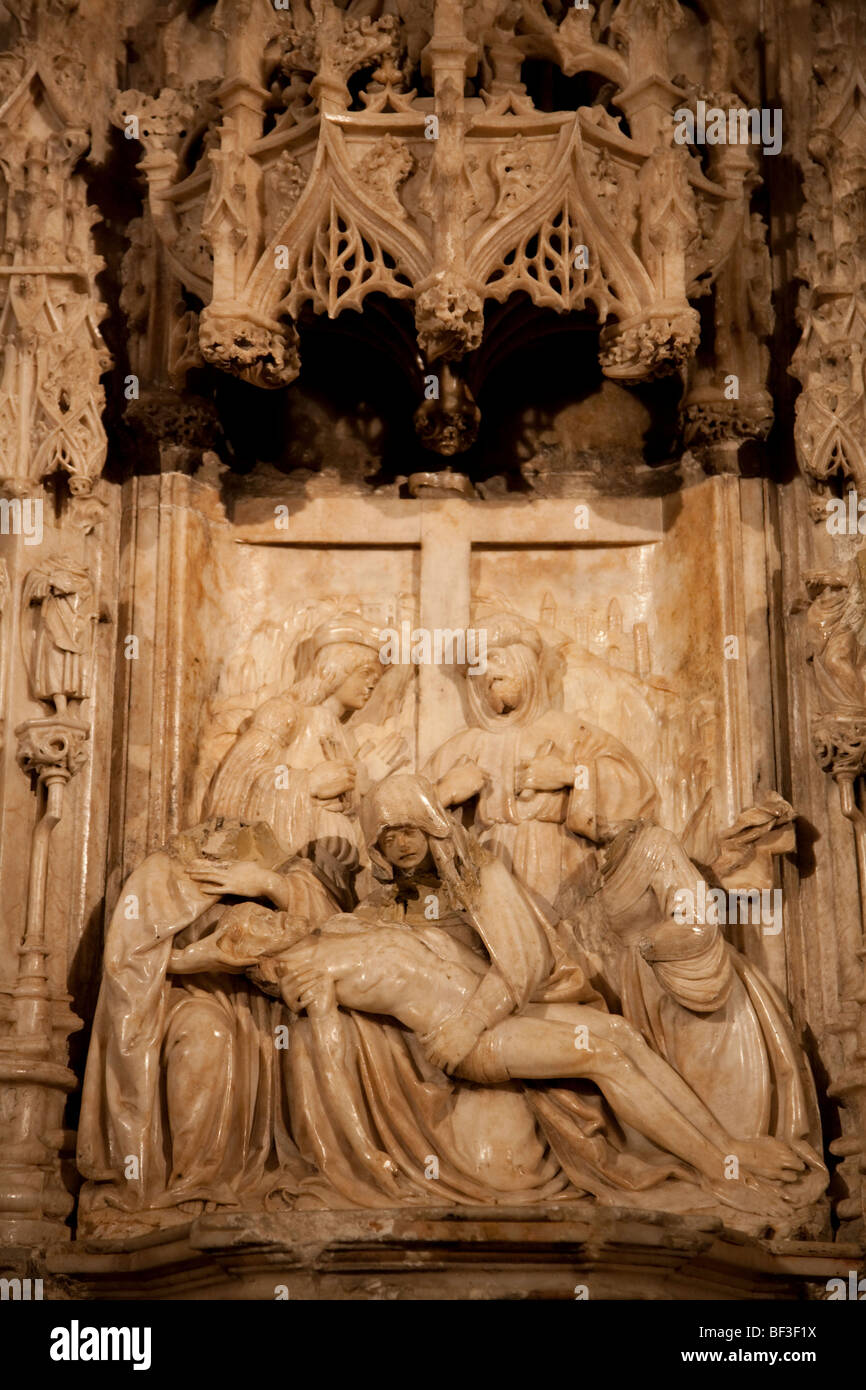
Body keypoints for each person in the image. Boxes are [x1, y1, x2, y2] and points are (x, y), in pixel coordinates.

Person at [175, 775, 811, 1220]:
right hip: (472, 1040)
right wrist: (258, 893)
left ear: (431, 825)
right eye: (385, 836)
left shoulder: (480, 877)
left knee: (619, 1038)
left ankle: (724, 1153)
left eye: (408, 830)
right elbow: (312, 932)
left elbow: (525, 961)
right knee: (609, 1052)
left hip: (493, 1014)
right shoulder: (377, 913)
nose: (399, 844)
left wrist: (469, 1018)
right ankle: (723, 1164)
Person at [424, 614, 657, 915]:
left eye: (495, 657)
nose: (488, 673)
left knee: (566, 949)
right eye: (477, 666)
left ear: (522, 659)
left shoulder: (570, 732)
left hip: (561, 865)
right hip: (490, 869)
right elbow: (403, 812)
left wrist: (570, 774)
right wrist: (444, 792)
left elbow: (638, 793)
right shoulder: (465, 746)